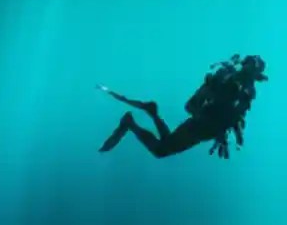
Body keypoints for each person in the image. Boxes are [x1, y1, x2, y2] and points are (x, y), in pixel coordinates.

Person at [97, 54, 268, 159]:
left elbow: (232, 118)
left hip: (203, 129)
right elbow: (194, 105)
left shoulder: (244, 91)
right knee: (161, 151)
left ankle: (151, 111)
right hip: (199, 128)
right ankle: (130, 123)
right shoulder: (230, 85)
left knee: (166, 143)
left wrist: (223, 132)